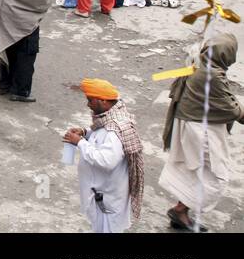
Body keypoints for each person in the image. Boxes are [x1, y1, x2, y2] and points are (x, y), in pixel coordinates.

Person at [160, 34, 243, 231]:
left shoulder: (199, 62)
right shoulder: (210, 75)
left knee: (196, 169)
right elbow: (231, 109)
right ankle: (180, 209)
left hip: (191, 123)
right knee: (216, 176)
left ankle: (181, 210)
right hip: (200, 129)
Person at [63, 79, 144, 233]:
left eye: (90, 101)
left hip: (108, 198)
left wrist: (80, 142)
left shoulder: (114, 131)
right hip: (103, 194)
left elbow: (106, 160)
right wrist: (85, 133)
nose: (88, 105)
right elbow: (100, 131)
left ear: (104, 101)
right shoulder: (111, 116)